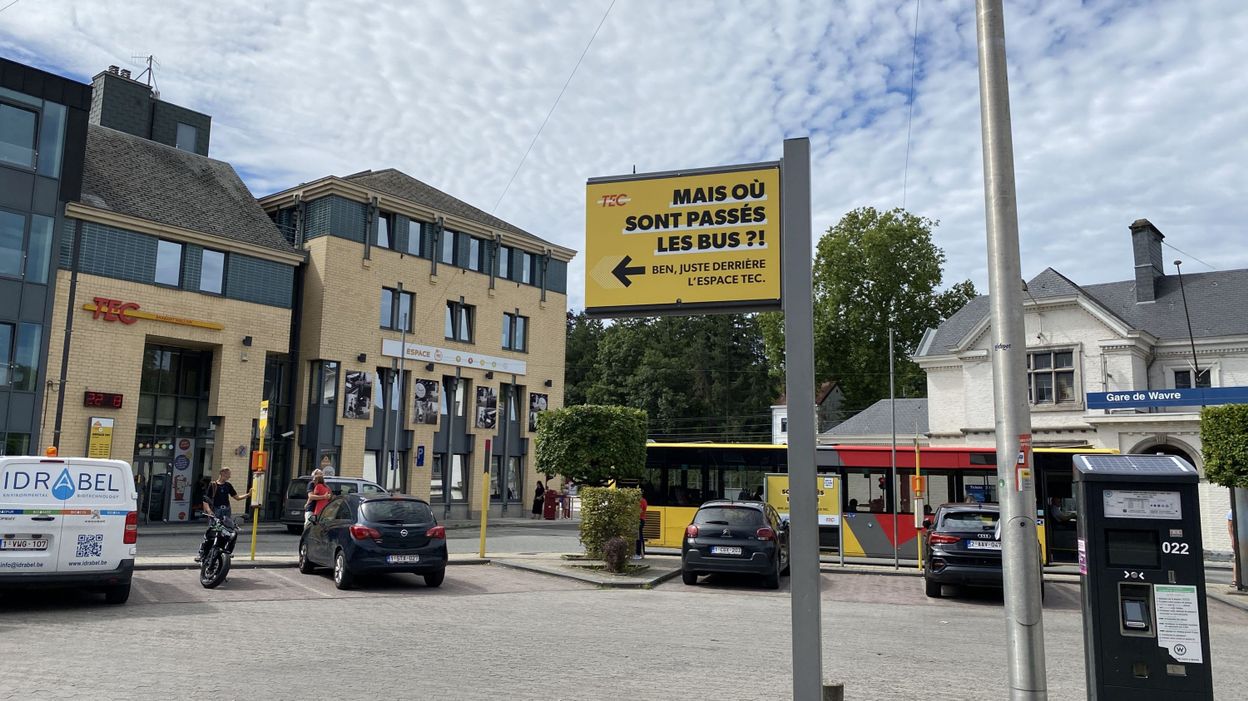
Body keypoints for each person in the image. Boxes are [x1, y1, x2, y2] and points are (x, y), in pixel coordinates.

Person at [195, 468, 247, 562]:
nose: (230, 476)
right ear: (222, 473)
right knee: (212, 531)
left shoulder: (228, 485)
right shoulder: (213, 485)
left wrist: (248, 495)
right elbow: (205, 500)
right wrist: (209, 511)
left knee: (229, 532)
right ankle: (202, 553)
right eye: (228, 474)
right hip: (216, 510)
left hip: (226, 510)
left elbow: (237, 497)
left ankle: (226, 552)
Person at [634, 494, 648, 560]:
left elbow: (639, 511)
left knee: (638, 537)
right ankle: (641, 553)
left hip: (639, 519)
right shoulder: (644, 500)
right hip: (641, 519)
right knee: (639, 536)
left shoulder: (641, 501)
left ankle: (638, 553)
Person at [1230, 508, 1240, 589]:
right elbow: (1230, 526)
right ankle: (1235, 580)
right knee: (1237, 558)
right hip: (1239, 539)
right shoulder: (1233, 511)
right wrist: (1233, 539)